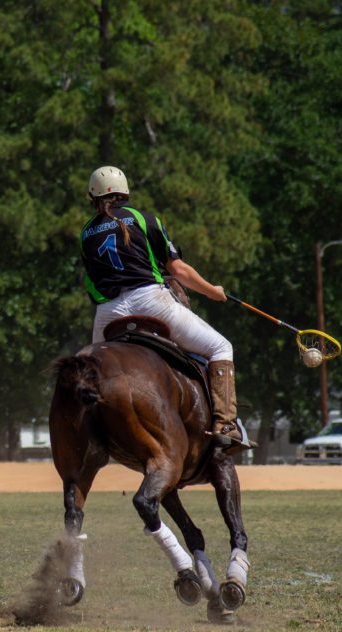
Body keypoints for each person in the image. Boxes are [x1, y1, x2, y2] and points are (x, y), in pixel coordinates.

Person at [79, 166, 251, 450]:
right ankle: (226, 424)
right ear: (125, 192)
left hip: (108, 311)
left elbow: (90, 282)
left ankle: (92, 436)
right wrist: (213, 291)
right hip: (150, 301)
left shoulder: (86, 233)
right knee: (221, 347)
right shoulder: (144, 219)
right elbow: (178, 269)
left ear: (92, 196)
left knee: (94, 376)